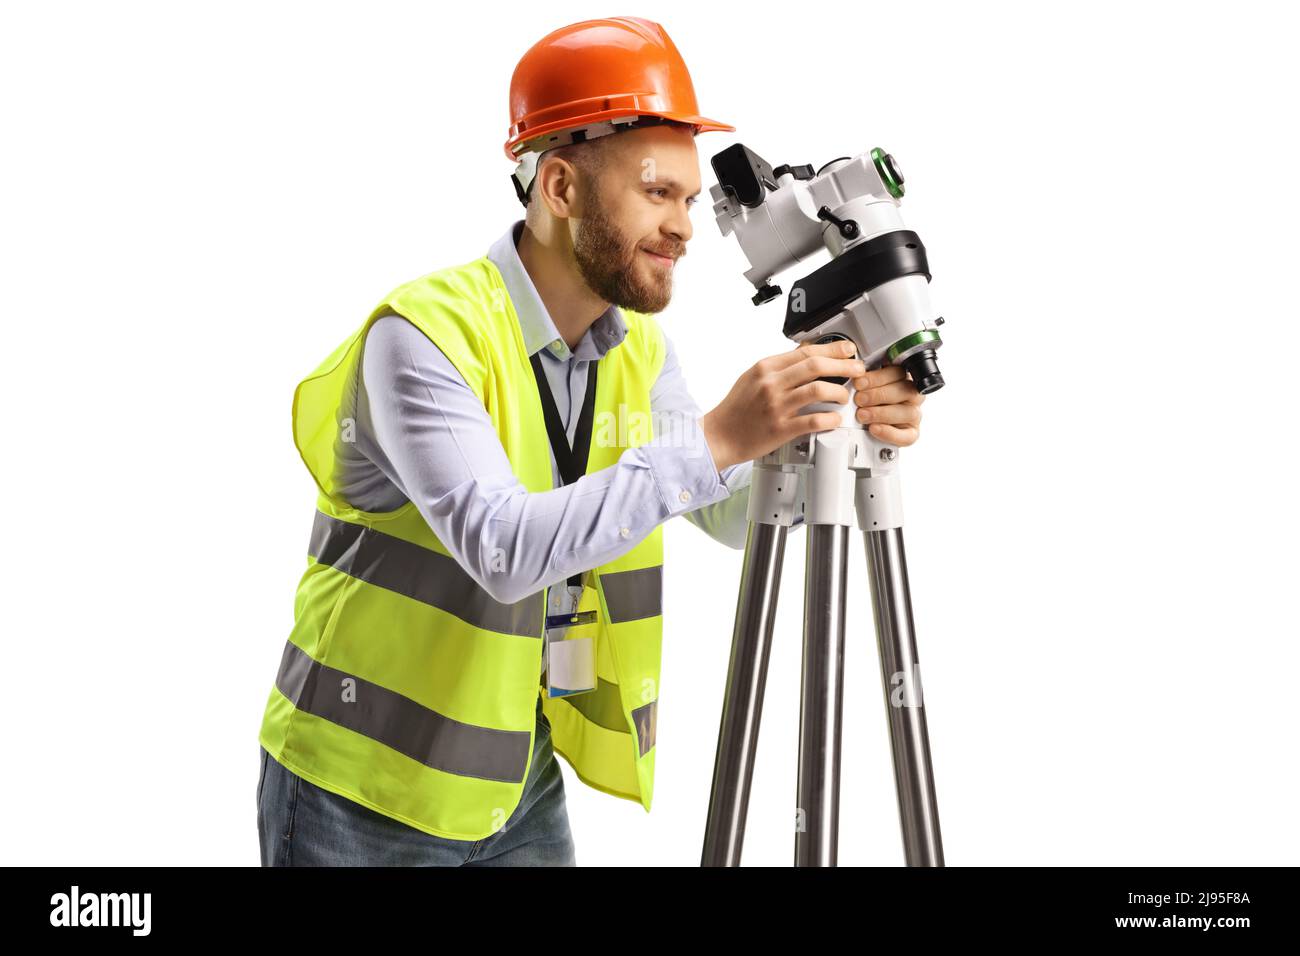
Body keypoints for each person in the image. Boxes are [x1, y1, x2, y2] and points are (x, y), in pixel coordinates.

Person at [256, 16, 925, 867]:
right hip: (358, 788)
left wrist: (828, 426)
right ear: (562, 188)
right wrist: (721, 433)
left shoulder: (640, 352)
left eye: (688, 198)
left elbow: (722, 514)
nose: (685, 227)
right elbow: (500, 547)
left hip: (512, 771)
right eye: (657, 193)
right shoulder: (424, 336)